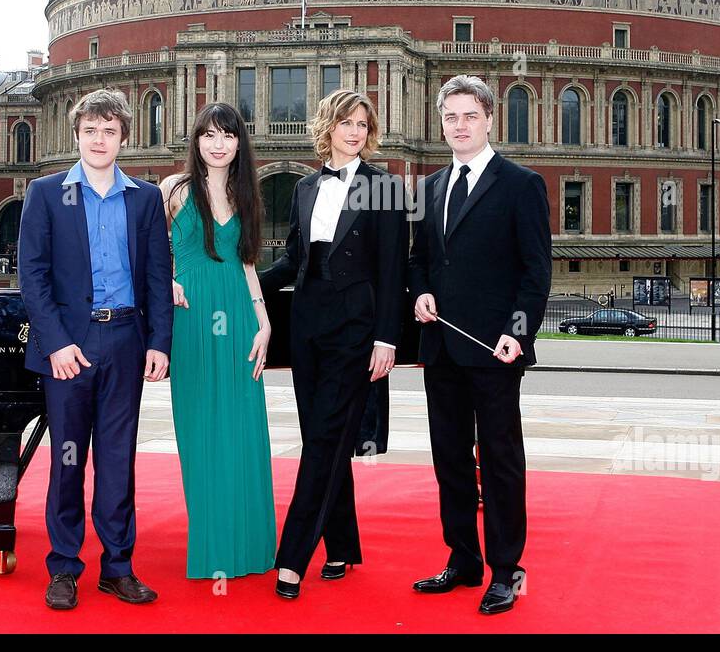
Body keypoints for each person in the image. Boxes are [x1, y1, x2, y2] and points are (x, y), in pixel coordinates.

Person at [18, 88, 172, 611]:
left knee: (116, 461)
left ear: (123, 137)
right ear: (76, 135)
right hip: (69, 346)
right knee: (67, 461)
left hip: (126, 341)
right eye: (90, 130)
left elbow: (157, 275)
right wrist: (56, 343)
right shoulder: (45, 193)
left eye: (109, 131)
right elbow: (32, 278)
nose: (99, 139)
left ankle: (118, 567)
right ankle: (64, 567)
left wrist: (160, 343)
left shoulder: (145, 199)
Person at [409, 75, 551, 615]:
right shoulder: (428, 189)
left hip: (495, 353)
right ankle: (463, 558)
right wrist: (420, 291)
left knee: (500, 462)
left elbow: (536, 273)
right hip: (441, 348)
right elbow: (419, 258)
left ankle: (505, 569)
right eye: (450, 117)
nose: (459, 126)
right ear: (440, 121)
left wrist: (517, 334)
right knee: (449, 459)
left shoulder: (521, 184)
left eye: (469, 116)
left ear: (489, 119)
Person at [261, 90, 407, 600]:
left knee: (322, 439)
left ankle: (293, 557)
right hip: (307, 325)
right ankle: (342, 544)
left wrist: (388, 337)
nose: (355, 132)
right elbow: (293, 261)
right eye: (346, 122)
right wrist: (244, 283)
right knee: (327, 438)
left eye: (363, 124)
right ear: (328, 125)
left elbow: (393, 270)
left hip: (355, 328)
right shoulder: (304, 187)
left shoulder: (384, 188)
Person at [161, 103, 276, 580]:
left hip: (239, 321)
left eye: (227, 135)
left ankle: (250, 543)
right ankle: (211, 543)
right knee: (199, 428)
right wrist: (165, 279)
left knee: (243, 428)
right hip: (190, 319)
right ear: (196, 141)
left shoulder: (245, 193)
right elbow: (147, 249)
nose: (217, 143)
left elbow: (247, 263)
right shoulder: (173, 190)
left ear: (238, 143)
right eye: (208, 134)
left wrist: (265, 321)